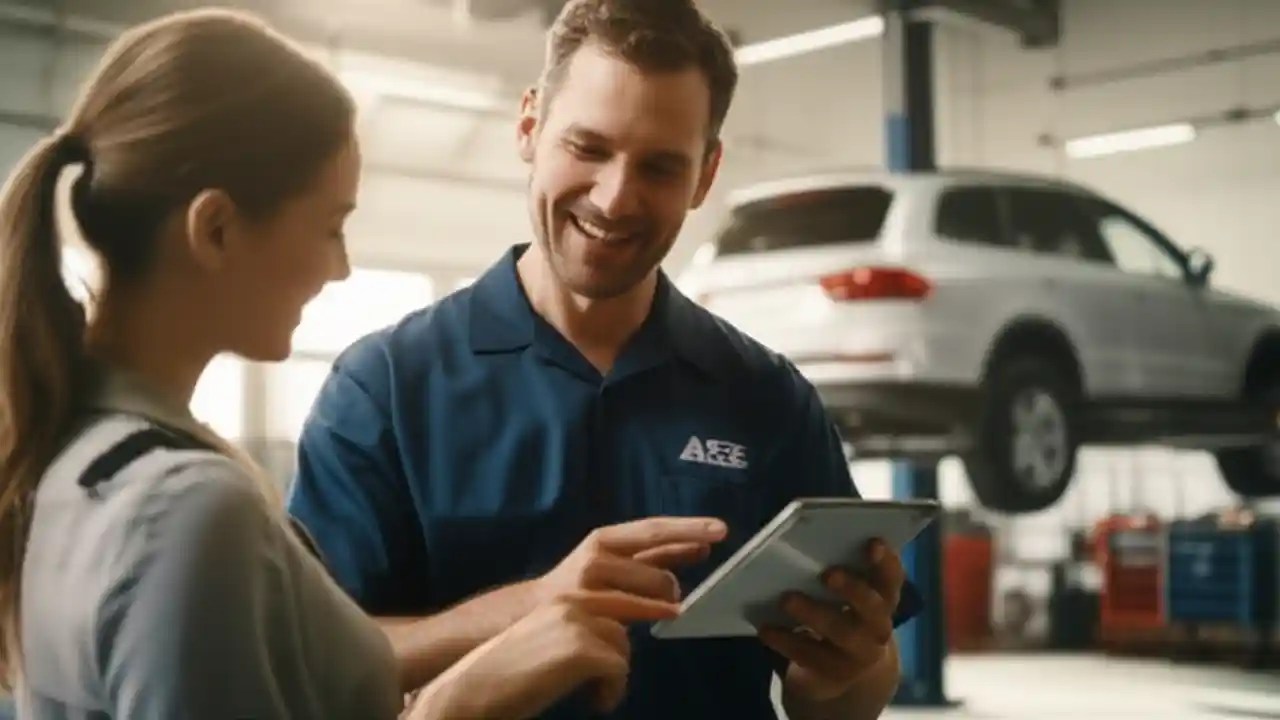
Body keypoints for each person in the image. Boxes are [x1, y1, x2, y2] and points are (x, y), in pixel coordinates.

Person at [0, 8, 707, 719]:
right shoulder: (190, 508)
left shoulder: (68, 463)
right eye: (331, 226)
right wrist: (455, 706)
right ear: (215, 229)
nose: (340, 268)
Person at [287, 1, 923, 719]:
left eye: (659, 166)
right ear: (529, 127)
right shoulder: (386, 389)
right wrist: (530, 608)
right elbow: (310, 663)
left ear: (706, 174)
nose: (615, 198)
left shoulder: (767, 397)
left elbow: (845, 699)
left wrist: (844, 673)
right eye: (588, 148)